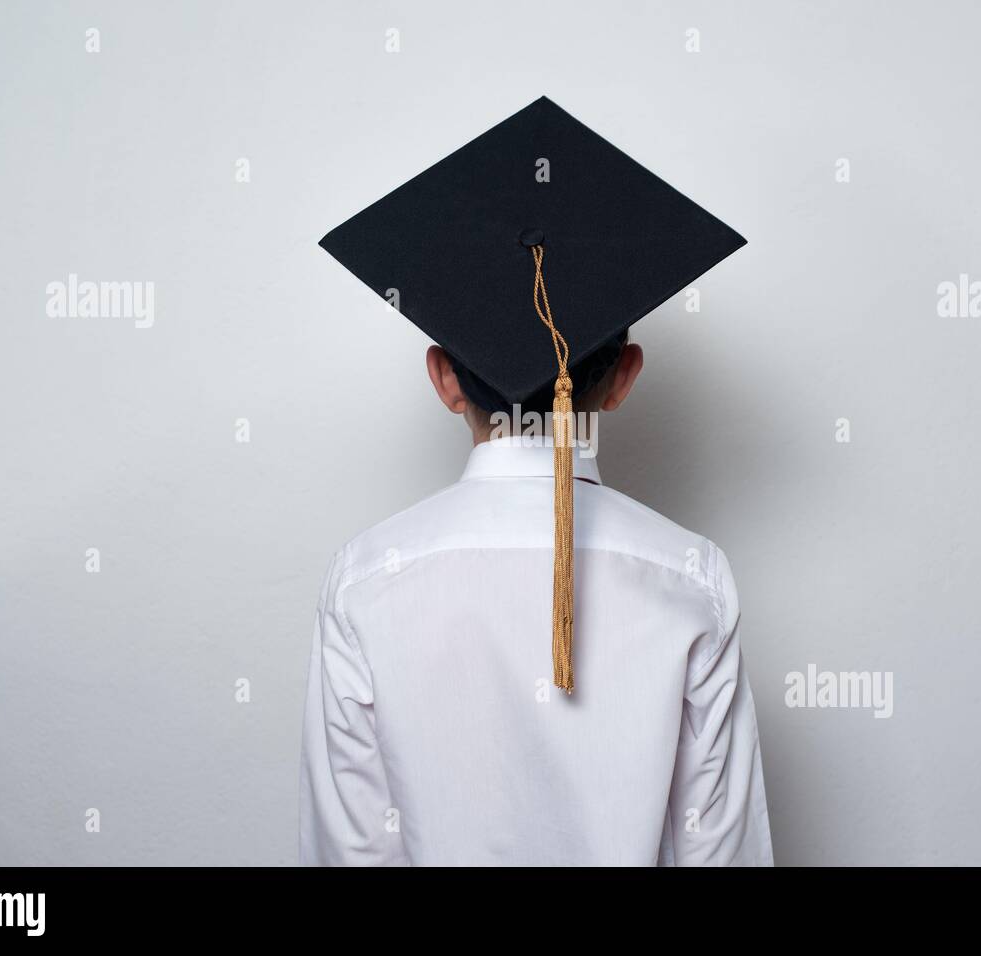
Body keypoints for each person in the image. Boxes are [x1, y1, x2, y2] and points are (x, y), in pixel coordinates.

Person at [299, 96, 773, 865]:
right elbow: (720, 853)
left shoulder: (364, 582)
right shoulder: (693, 579)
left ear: (443, 379)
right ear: (623, 378)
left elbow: (349, 851)